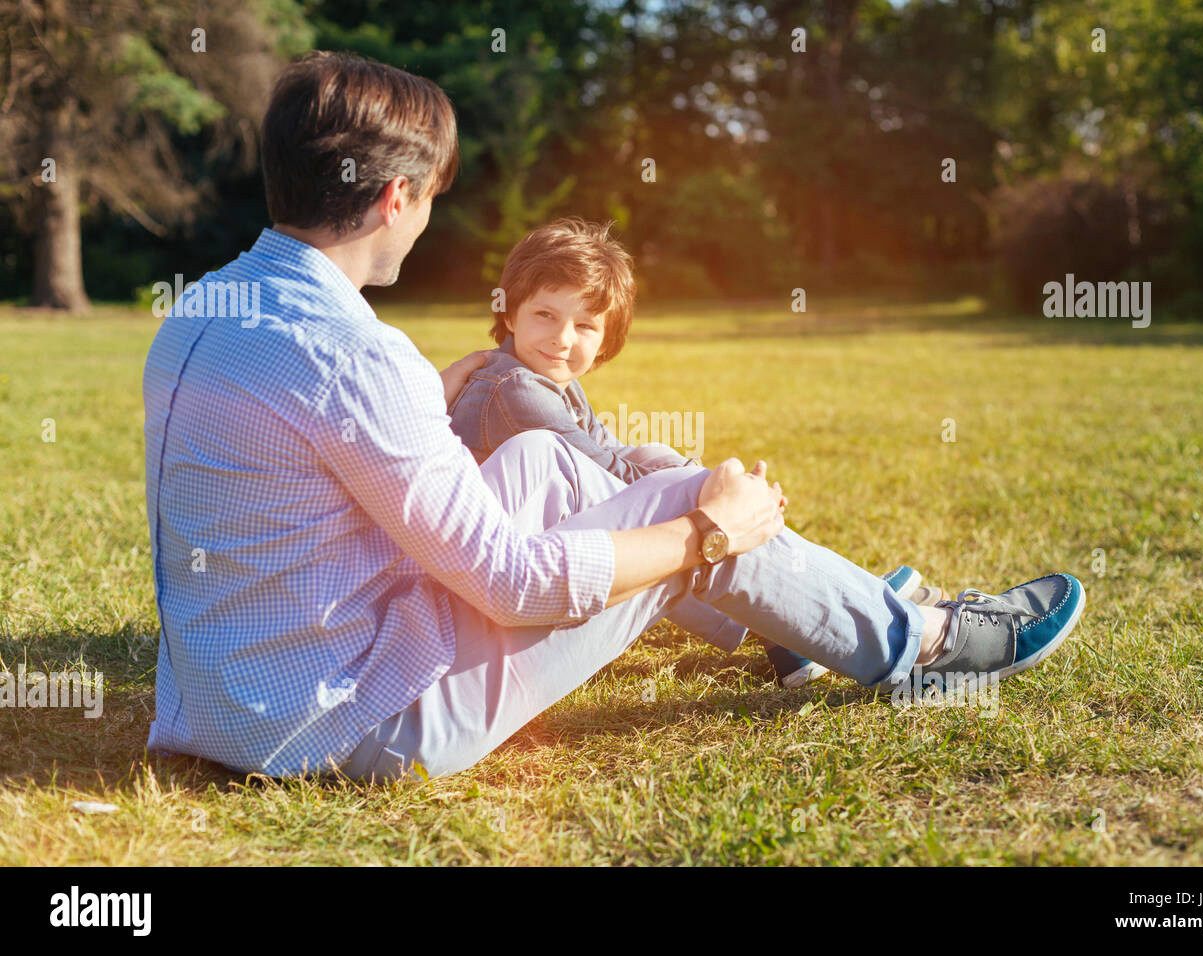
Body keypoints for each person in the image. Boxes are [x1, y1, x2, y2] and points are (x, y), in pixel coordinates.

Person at [141, 51, 1086, 782]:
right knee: (684, 499)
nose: (427, 216)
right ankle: (921, 645)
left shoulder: (202, 314)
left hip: (227, 705)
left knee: (546, 462)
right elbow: (513, 586)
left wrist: (415, 399)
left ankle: (795, 624)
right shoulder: (356, 355)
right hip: (356, 722)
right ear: (397, 197)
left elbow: (291, 455)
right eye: (431, 198)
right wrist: (706, 533)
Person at [446, 217, 948, 688]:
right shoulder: (516, 390)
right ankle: (805, 617)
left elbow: (609, 449)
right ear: (509, 312)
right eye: (545, 315)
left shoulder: (545, 377)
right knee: (670, 505)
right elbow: (609, 479)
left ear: (605, 341)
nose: (561, 338)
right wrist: (709, 491)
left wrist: (688, 471)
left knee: (658, 458)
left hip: (532, 548)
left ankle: (814, 607)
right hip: (511, 573)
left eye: (585, 326)